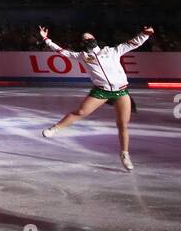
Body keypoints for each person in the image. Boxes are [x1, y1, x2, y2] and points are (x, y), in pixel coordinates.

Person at [38, 25, 154, 170]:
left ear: (95, 39)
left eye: (90, 37)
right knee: (80, 112)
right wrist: (46, 39)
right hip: (101, 92)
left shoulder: (112, 51)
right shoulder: (83, 56)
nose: (88, 39)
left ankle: (124, 154)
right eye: (85, 38)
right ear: (83, 43)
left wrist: (146, 34)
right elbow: (61, 51)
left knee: (122, 125)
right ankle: (55, 129)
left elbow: (133, 43)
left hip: (121, 92)